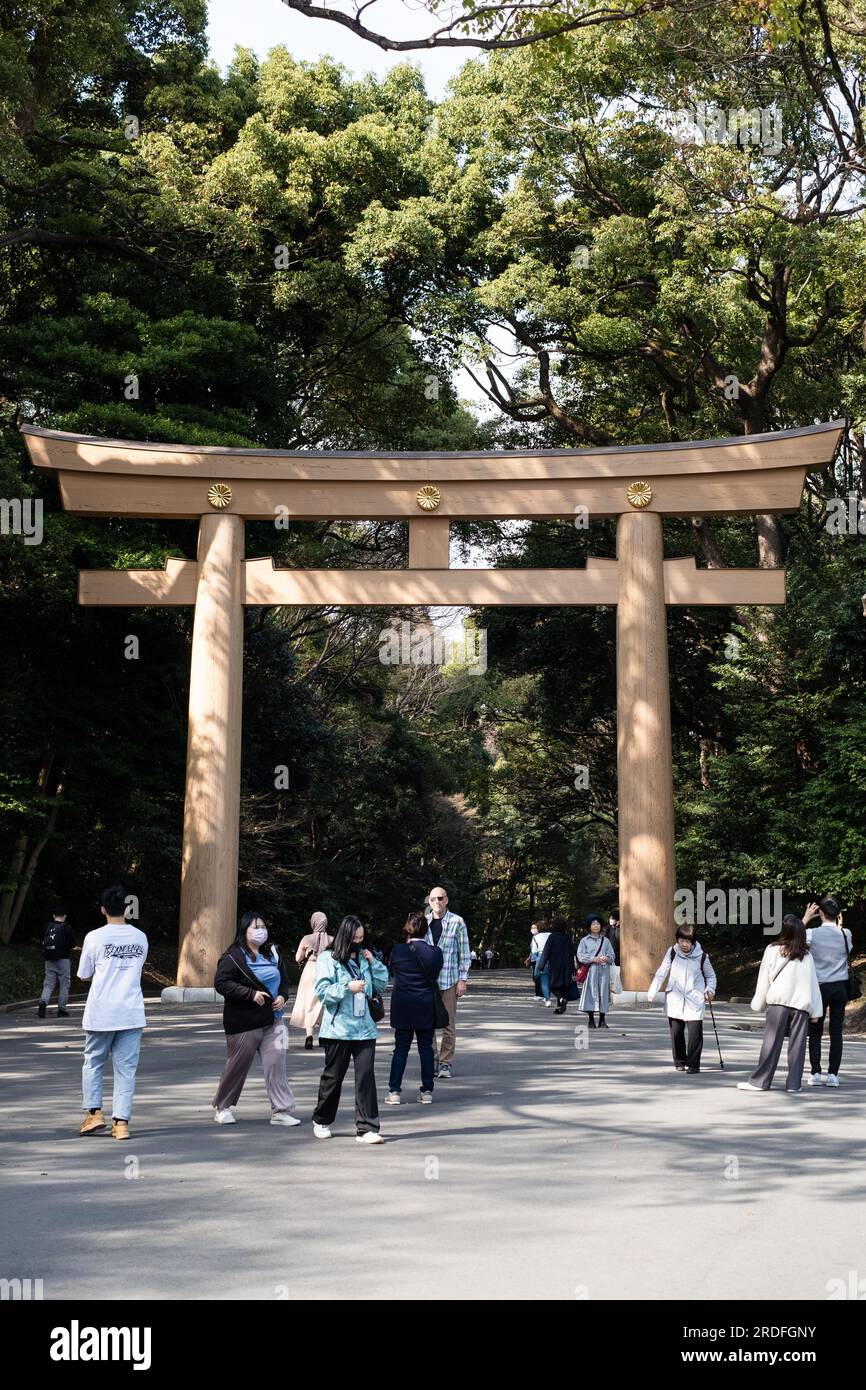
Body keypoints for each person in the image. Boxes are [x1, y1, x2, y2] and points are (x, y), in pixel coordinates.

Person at [213, 912, 300, 1127]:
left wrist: (282, 996)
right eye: (255, 927)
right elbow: (221, 982)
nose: (261, 931)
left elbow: (284, 981)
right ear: (244, 931)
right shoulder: (233, 956)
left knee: (277, 1064)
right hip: (244, 1021)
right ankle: (222, 1107)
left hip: (275, 1020)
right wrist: (250, 994)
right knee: (237, 1065)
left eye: (263, 926)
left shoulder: (272, 953)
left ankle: (281, 1110)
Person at [77, 884, 148, 1141]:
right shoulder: (140, 938)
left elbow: (84, 974)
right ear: (127, 909)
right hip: (131, 1012)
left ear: (103, 909)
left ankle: (94, 1113)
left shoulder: (94, 937)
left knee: (94, 1062)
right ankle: (121, 1123)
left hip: (101, 1012)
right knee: (126, 1069)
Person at [312, 915, 390, 1143]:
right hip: (338, 1028)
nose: (359, 941)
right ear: (345, 937)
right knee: (333, 1077)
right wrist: (348, 987)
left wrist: (374, 963)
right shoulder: (328, 958)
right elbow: (323, 991)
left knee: (366, 1076)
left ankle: (367, 1128)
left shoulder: (365, 959)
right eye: (355, 938)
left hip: (364, 1027)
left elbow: (381, 985)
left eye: (362, 938)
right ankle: (322, 1119)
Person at [737, 915, 822, 1093]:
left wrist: (759, 1003)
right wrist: (816, 1012)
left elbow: (764, 978)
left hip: (778, 1003)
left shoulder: (772, 949)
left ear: (784, 931)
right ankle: (794, 1084)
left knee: (771, 1042)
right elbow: (813, 984)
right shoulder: (806, 955)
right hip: (801, 1006)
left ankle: (760, 1082)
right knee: (798, 1046)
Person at [385, 911, 444, 1105]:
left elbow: (393, 970)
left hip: (403, 1004)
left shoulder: (398, 950)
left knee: (400, 1048)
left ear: (407, 929)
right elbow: (436, 972)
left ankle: (394, 1091)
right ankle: (427, 1090)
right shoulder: (435, 953)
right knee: (426, 1048)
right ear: (426, 930)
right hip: (426, 1003)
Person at [647, 927, 717, 1073]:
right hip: (675, 997)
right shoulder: (672, 952)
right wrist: (653, 989)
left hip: (695, 998)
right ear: (677, 940)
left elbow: (711, 976)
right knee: (676, 1032)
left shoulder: (702, 956)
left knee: (695, 1033)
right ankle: (679, 1061)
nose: (684, 944)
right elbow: (662, 971)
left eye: (688, 941)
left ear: (693, 942)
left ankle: (693, 1064)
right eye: (681, 940)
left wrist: (709, 990)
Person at [803, 896, 853, 1088]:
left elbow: (792, 939)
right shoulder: (846, 934)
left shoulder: (811, 934)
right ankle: (833, 1075)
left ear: (820, 913)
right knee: (836, 1032)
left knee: (815, 1030)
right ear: (838, 915)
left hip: (819, 987)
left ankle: (816, 1072)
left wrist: (806, 917)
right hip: (840, 987)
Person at [424, 887, 470, 1080]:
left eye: (440, 898)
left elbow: (464, 952)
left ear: (446, 900)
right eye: (433, 899)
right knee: (428, 1024)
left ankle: (445, 1063)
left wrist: (463, 979)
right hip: (428, 981)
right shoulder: (423, 922)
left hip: (449, 980)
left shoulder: (457, 921)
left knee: (449, 1024)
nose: (436, 902)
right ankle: (432, 1061)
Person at [289, 911, 333, 1050]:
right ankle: (324, 1036)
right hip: (326, 970)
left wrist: (306, 952)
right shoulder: (332, 939)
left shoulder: (306, 938)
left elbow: (297, 958)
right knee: (324, 1003)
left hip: (310, 970)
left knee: (309, 1003)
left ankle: (309, 1035)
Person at [577, 915, 616, 1028]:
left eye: (598, 924)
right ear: (589, 926)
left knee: (603, 994)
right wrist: (593, 959)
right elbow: (580, 956)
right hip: (591, 971)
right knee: (591, 993)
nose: (596, 926)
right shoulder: (584, 941)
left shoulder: (606, 941)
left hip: (604, 971)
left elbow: (612, 955)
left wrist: (606, 958)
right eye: (593, 924)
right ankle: (591, 1020)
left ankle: (602, 1020)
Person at [38, 905, 74, 1018]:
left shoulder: (47, 926)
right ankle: (62, 1009)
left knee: (48, 984)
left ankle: (43, 1002)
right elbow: (72, 944)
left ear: (54, 916)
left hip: (49, 959)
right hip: (63, 959)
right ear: (65, 916)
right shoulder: (67, 927)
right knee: (64, 985)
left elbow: (41, 939)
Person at [537, 916, 577, 1014]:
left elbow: (546, 952)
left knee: (553, 986)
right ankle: (561, 1007)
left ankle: (561, 999)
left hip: (555, 965)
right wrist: (574, 968)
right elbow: (573, 951)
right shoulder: (567, 937)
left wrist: (541, 966)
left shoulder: (552, 937)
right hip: (567, 965)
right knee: (564, 986)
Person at [525, 921, 552, 1005]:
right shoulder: (551, 935)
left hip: (541, 957)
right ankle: (548, 996)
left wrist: (535, 960)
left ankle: (547, 1000)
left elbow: (534, 951)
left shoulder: (535, 937)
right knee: (550, 978)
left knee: (543, 979)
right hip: (552, 957)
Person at [606, 911, 622, 995]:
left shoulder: (619, 928)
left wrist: (617, 927)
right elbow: (605, 938)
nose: (610, 920)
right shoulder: (609, 927)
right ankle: (611, 988)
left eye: (612, 918)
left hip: (618, 952)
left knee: (617, 971)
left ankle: (616, 988)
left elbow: (619, 938)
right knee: (611, 971)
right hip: (609, 953)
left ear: (617, 919)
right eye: (610, 918)